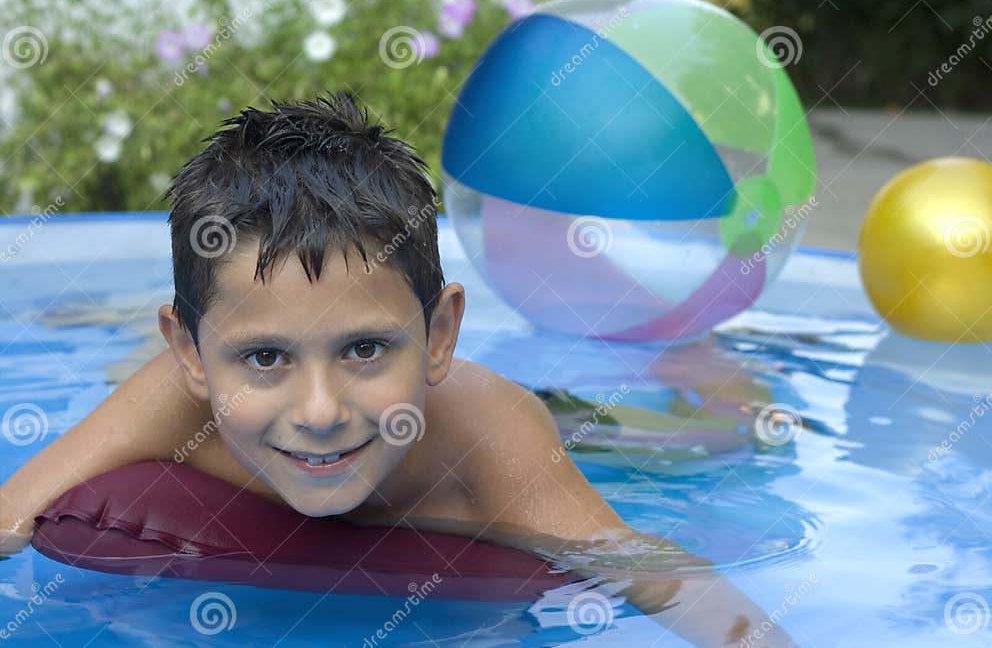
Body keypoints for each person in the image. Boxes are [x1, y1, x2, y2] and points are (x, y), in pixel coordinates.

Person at [0, 91, 793, 647]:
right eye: (265, 357)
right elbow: (11, 515)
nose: (320, 411)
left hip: (551, 416)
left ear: (440, 334)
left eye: (365, 349)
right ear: (189, 356)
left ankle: (701, 364)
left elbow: (656, 574)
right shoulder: (171, 401)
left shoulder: (494, 442)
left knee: (699, 440)